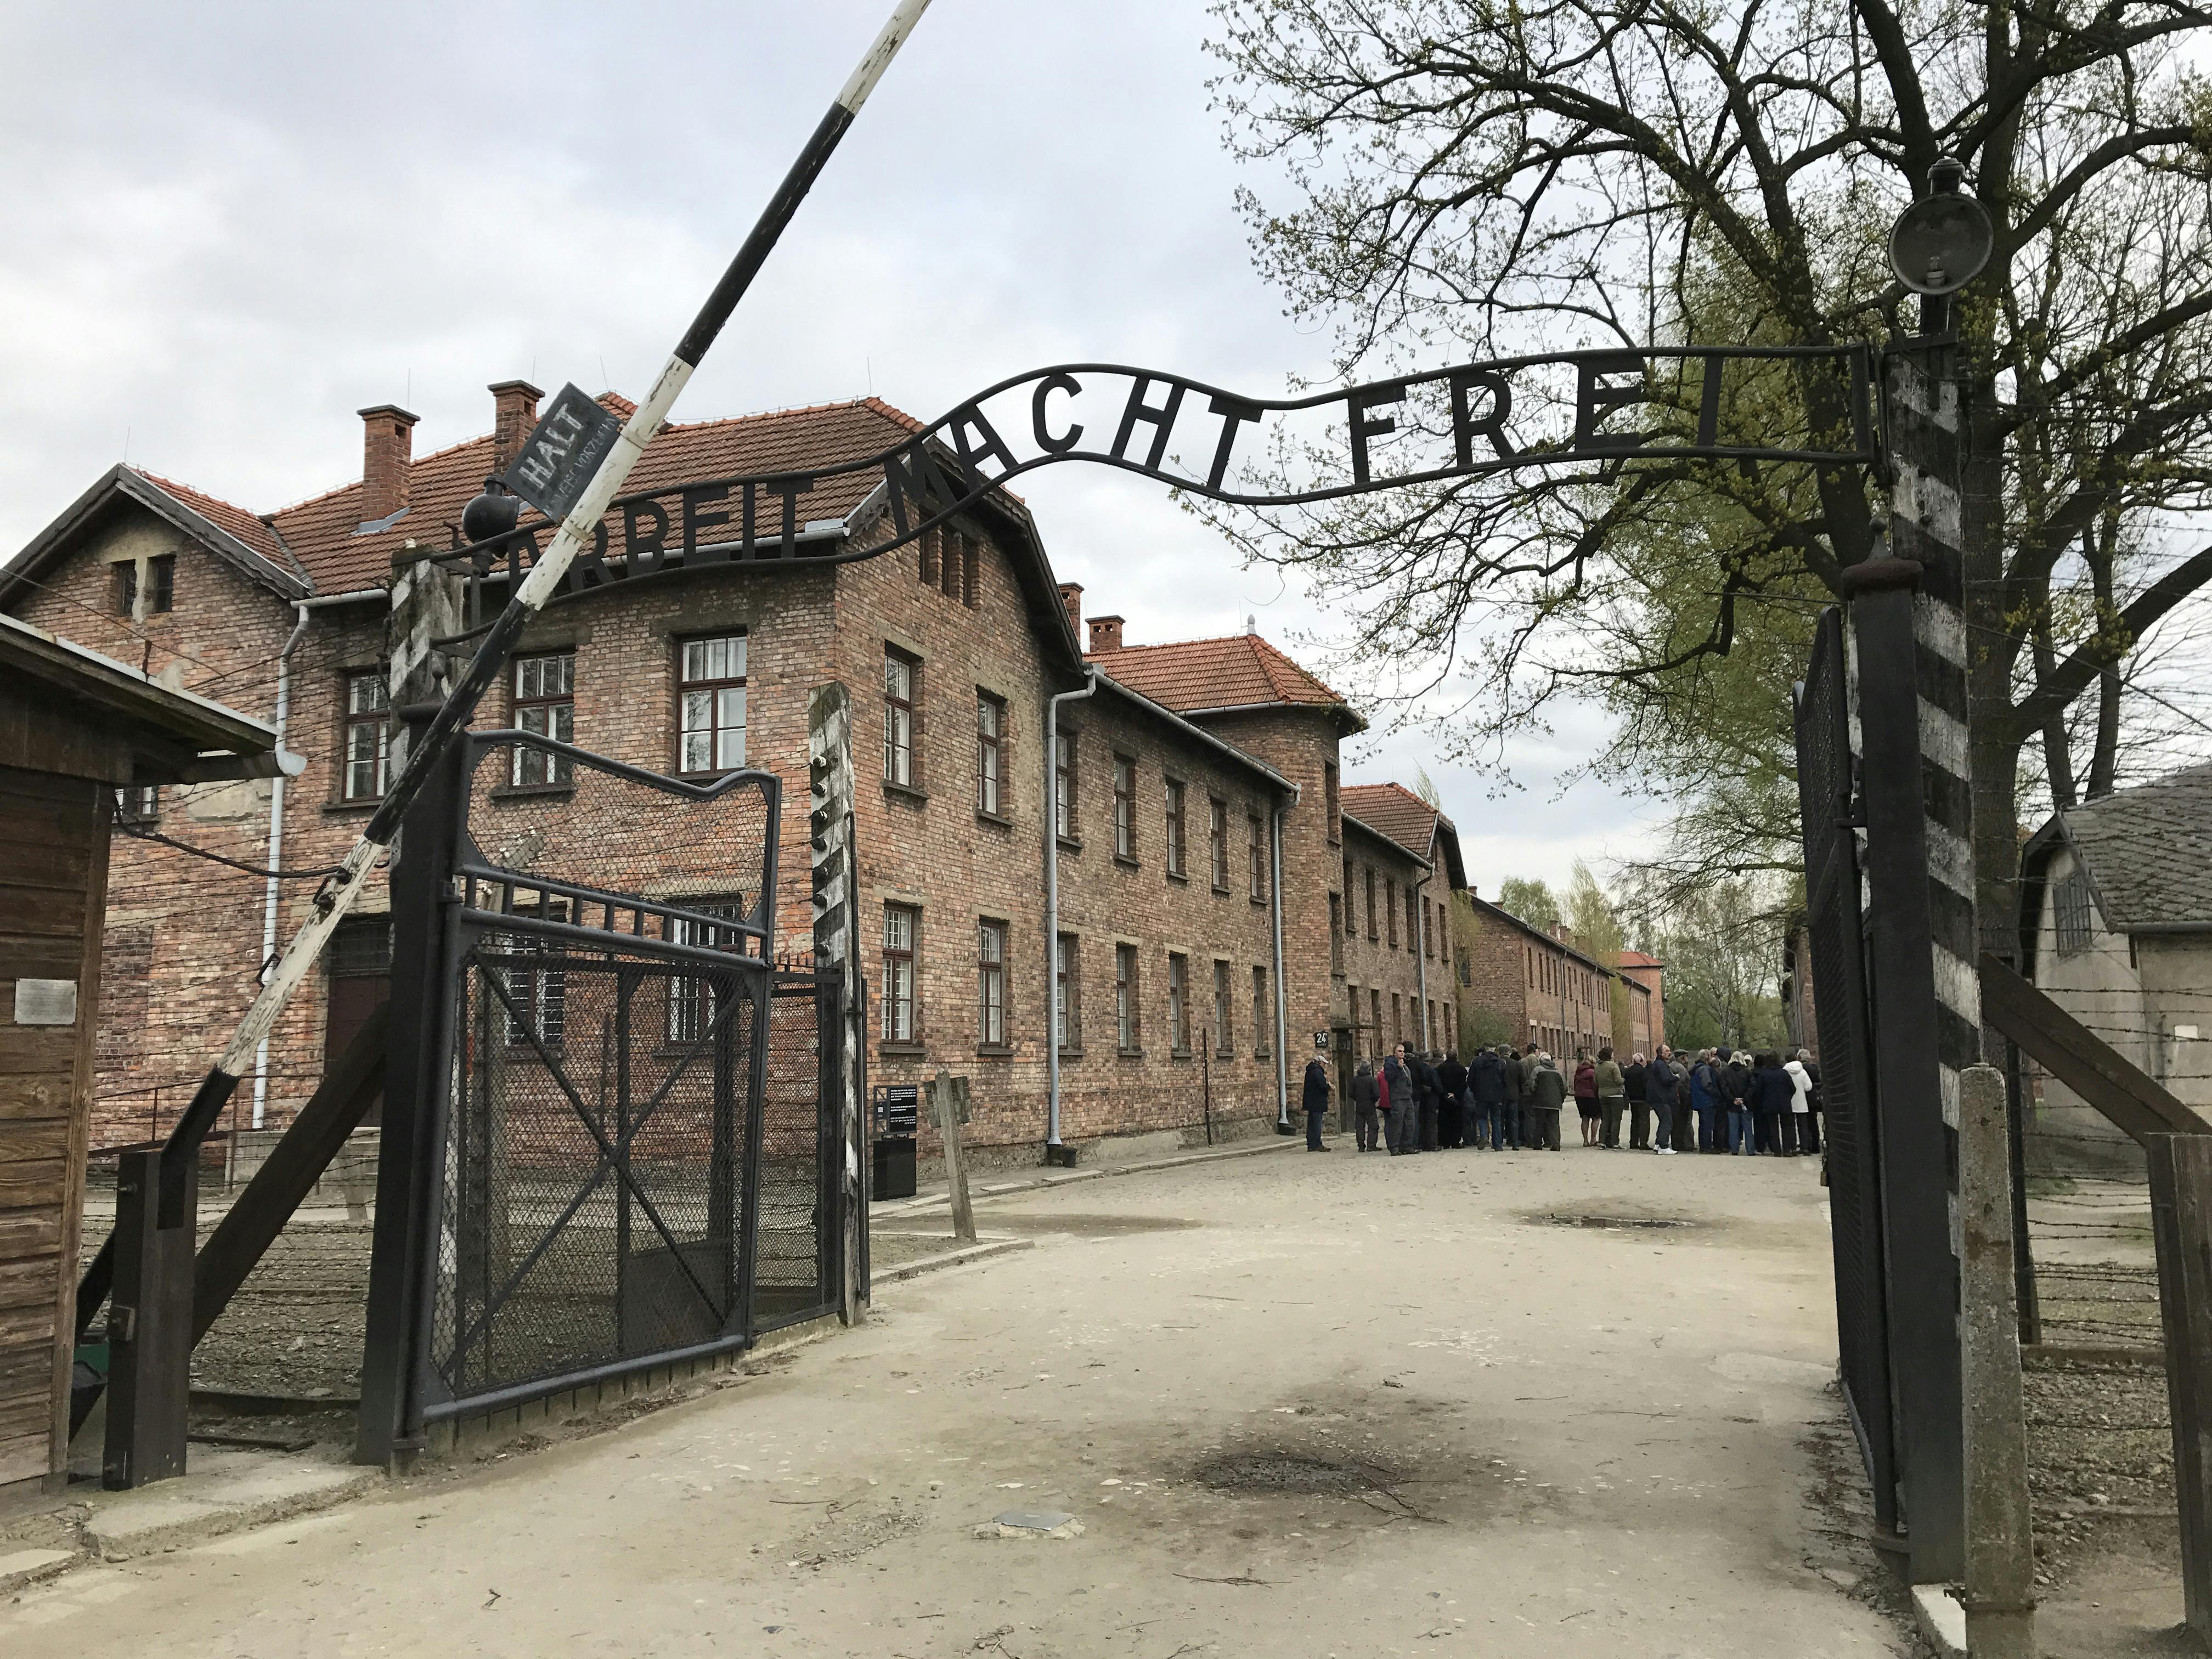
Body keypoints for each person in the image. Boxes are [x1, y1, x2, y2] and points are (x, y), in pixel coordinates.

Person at [1753, 1051, 1795, 1154]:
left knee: (1773, 1127)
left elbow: (1759, 1090)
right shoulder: (1784, 1073)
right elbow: (1793, 1088)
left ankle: (1776, 1150)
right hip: (1784, 1103)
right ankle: (1787, 1150)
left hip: (1769, 1103)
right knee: (1786, 1127)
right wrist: (1788, 1097)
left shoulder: (1764, 1074)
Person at [1527, 1051, 1567, 1150]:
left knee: (1539, 1123)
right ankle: (1556, 1145)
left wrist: (1534, 1094)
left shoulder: (1537, 1070)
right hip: (1555, 1103)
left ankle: (1537, 1144)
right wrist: (1561, 1099)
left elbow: (1532, 1084)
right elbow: (1564, 1088)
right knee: (1554, 1124)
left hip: (1540, 1102)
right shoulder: (1557, 1072)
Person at [1720, 1048, 1757, 1154]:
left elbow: (1724, 1087)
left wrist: (1733, 1099)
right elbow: (1752, 1087)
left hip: (1732, 1104)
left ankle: (1735, 1149)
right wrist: (1744, 1098)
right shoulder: (1747, 1072)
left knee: (1733, 1128)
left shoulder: (1725, 1072)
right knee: (1748, 1128)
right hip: (1746, 1104)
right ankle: (1750, 1150)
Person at [1468, 1045, 1504, 1149]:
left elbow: (1470, 1079)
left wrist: (1474, 1090)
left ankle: (1484, 1135)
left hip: (1481, 1095)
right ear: (1495, 1050)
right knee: (1496, 1119)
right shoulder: (1500, 1063)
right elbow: (1504, 1080)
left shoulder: (1476, 1062)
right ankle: (1497, 1145)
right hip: (1496, 1095)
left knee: (1482, 1117)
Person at [1647, 1045, 1681, 1155]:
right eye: (1667, 1051)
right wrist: (1676, 1077)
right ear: (1661, 1053)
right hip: (1662, 1098)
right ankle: (1664, 1145)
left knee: (1663, 1121)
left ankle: (1658, 1144)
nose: (1669, 1053)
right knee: (1667, 1121)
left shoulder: (1658, 1064)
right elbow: (1666, 1079)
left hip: (1658, 1097)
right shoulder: (1661, 1065)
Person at [1383, 1043, 1416, 1155]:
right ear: (1394, 1053)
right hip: (1398, 1097)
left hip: (1407, 1096)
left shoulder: (1405, 1065)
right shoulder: (1391, 1064)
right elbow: (1389, 1077)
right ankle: (1394, 1147)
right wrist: (1398, 1068)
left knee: (1410, 1122)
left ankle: (1407, 1145)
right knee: (1397, 1122)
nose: (1402, 1053)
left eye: (1403, 1051)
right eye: (1400, 1051)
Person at [1688, 1048, 1721, 1152]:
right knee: (1708, 1124)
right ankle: (1707, 1146)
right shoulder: (1705, 1069)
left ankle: (1704, 1145)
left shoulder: (1696, 1069)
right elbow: (1707, 1084)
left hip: (1699, 1100)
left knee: (1703, 1124)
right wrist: (1717, 1094)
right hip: (1707, 1100)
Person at [1594, 1047, 1626, 1149]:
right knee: (1616, 1120)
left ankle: (1602, 1142)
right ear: (1610, 1055)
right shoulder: (1613, 1066)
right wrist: (1624, 1080)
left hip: (1603, 1095)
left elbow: (1596, 1081)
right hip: (1616, 1095)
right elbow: (1618, 1080)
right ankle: (1615, 1143)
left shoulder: (1597, 1067)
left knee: (1606, 1119)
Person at [1438, 1049, 1468, 1150]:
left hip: (1444, 1099)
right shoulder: (1461, 1069)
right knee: (1457, 1120)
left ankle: (1445, 1142)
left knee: (1444, 1120)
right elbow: (1464, 1085)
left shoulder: (1441, 1068)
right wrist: (1455, 1094)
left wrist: (1446, 1093)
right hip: (1458, 1098)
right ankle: (1456, 1142)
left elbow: (1439, 1084)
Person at [1302, 1054, 1332, 1151]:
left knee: (1311, 1123)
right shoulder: (1317, 1072)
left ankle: (1311, 1144)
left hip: (1311, 1101)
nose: (1324, 1065)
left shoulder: (1310, 1071)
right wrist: (1329, 1087)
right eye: (1324, 1063)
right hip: (1317, 1101)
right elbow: (1322, 1086)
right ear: (1319, 1063)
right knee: (1317, 1124)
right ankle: (1317, 1144)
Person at [1414, 1051, 1442, 1152]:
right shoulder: (1431, 1071)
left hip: (1420, 1099)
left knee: (1421, 1122)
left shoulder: (1415, 1070)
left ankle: (1421, 1143)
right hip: (1432, 1099)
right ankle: (1431, 1145)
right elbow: (1438, 1087)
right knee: (1432, 1123)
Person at [1352, 1059, 1380, 1153]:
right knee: (1373, 1126)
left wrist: (1357, 1098)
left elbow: (1350, 1093)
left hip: (1359, 1105)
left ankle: (1361, 1146)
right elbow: (1377, 1094)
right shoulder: (1372, 1080)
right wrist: (1373, 1100)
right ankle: (1371, 1145)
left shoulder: (1355, 1080)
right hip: (1370, 1106)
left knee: (1360, 1126)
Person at [1572, 1051, 1600, 1147]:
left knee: (1585, 1119)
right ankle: (1593, 1139)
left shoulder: (1578, 1072)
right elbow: (1595, 1085)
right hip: (1591, 1096)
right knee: (1596, 1118)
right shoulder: (1592, 1072)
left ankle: (1585, 1141)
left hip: (1579, 1097)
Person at [1623, 1051, 1650, 1150]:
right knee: (1644, 1121)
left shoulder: (1628, 1071)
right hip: (1643, 1099)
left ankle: (1633, 1142)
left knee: (1634, 1121)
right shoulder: (1644, 1071)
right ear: (1642, 1061)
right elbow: (1646, 1085)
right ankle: (1643, 1143)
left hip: (1632, 1099)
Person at [1500, 1043, 1525, 1149]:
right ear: (1509, 1052)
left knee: (1500, 1119)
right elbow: (1522, 1080)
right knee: (1514, 1119)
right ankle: (1515, 1142)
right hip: (1514, 1094)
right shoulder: (1517, 1064)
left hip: (1501, 1095)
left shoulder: (1499, 1064)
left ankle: (1499, 1141)